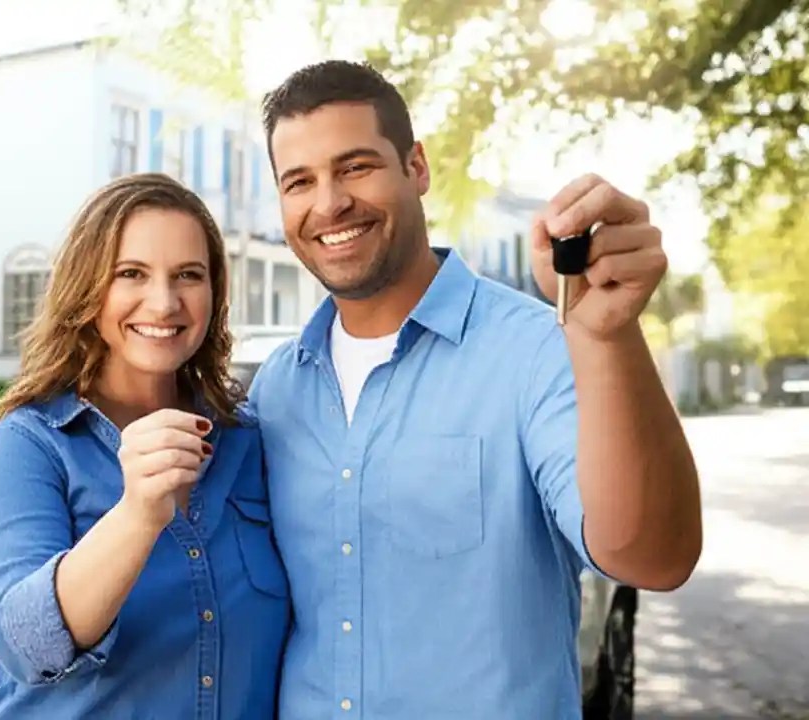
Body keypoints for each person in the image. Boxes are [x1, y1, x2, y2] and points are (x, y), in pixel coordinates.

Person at [246, 60, 704, 718]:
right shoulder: (277, 391)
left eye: (355, 167)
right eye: (299, 182)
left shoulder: (541, 349)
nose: (329, 203)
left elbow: (655, 557)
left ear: (417, 167)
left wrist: (608, 338)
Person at [0, 173, 291, 719]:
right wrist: (138, 513)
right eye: (131, 274)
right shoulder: (31, 445)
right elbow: (27, 647)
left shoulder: (248, 440)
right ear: (88, 289)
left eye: (188, 275)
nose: (164, 302)